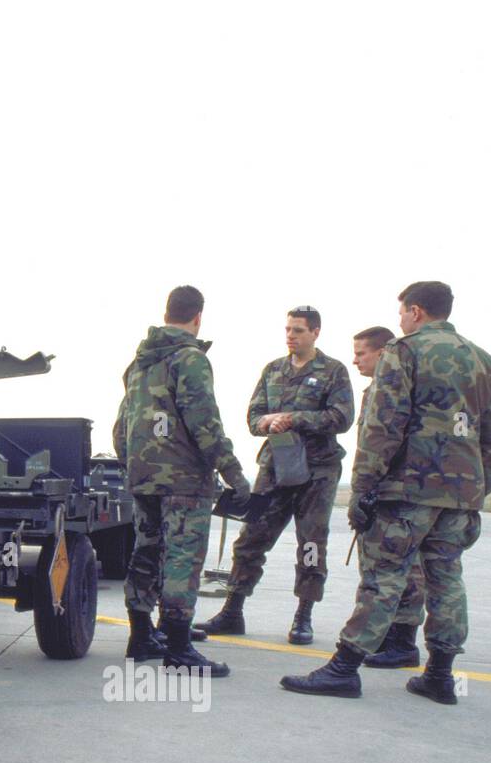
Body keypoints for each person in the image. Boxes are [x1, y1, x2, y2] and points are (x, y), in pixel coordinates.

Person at [280, 282, 491, 702]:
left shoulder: (403, 353)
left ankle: (345, 667)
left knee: (385, 576)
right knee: (446, 578)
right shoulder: (484, 360)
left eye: (402, 312)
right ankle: (439, 674)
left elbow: (383, 426)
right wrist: (478, 490)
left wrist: (364, 487)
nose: (400, 319)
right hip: (459, 494)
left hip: (408, 490)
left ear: (415, 311)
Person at [193, 306, 355, 644]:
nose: (291, 336)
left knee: (311, 544)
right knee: (251, 539)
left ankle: (303, 617)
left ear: (315, 333)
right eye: (288, 330)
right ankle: (232, 611)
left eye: (298, 330)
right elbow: (253, 417)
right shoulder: (273, 370)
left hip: (317, 472)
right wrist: (268, 422)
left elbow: (341, 417)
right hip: (274, 469)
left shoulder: (333, 371)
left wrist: (294, 418)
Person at [113, 285, 250, 673]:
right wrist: (234, 475)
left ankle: (141, 636)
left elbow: (122, 425)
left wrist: (133, 467)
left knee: (146, 553)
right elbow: (204, 423)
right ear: (198, 317)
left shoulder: (139, 363)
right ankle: (178, 648)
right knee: (181, 560)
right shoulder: (190, 359)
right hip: (184, 482)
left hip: (144, 478)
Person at [352, 327, 426, 668]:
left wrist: (364, 486)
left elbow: (384, 438)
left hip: (396, 489)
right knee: (386, 567)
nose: (355, 360)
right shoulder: (373, 391)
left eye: (361, 353)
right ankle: (388, 637)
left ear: (382, 353)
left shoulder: (394, 389)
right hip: (385, 488)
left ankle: (402, 642)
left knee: (403, 568)